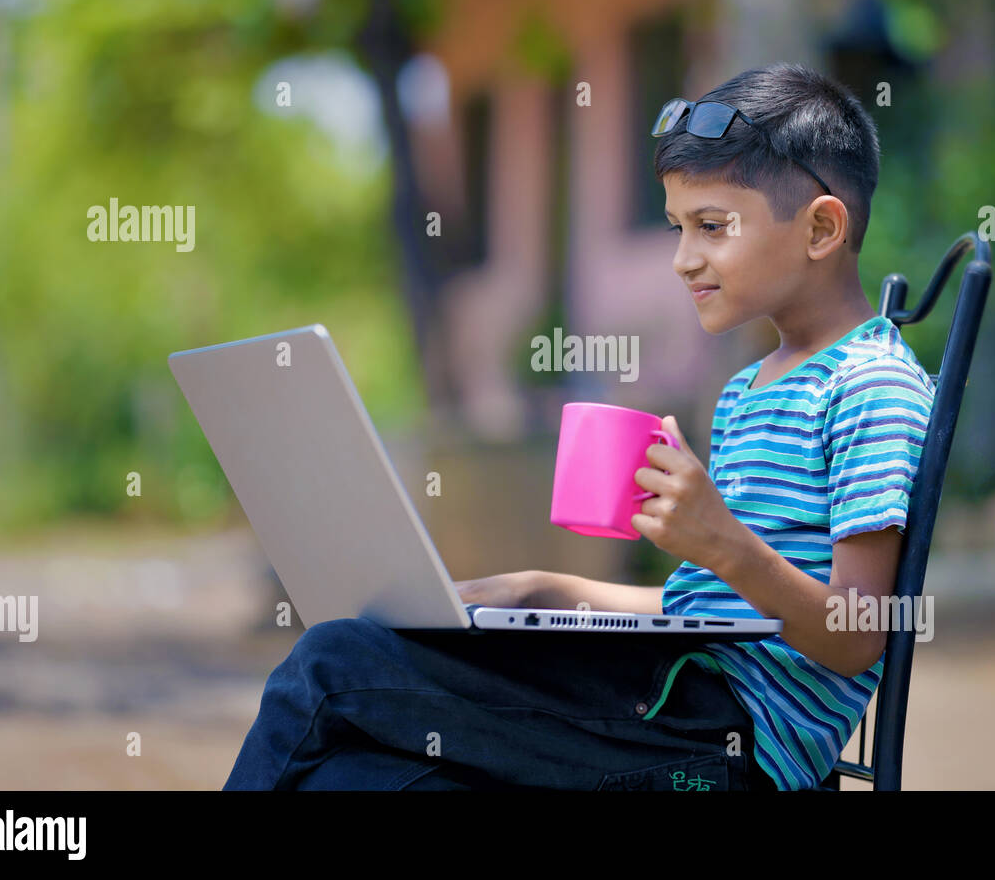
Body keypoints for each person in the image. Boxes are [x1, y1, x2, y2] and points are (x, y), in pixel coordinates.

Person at [223, 62, 934, 791]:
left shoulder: (870, 386)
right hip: (666, 700)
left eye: (712, 227)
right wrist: (544, 591)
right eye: (677, 228)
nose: (685, 259)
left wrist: (721, 541)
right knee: (349, 775)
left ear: (820, 227)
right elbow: (713, 610)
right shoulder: (752, 387)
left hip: (725, 741)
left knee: (335, 663)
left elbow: (854, 636)